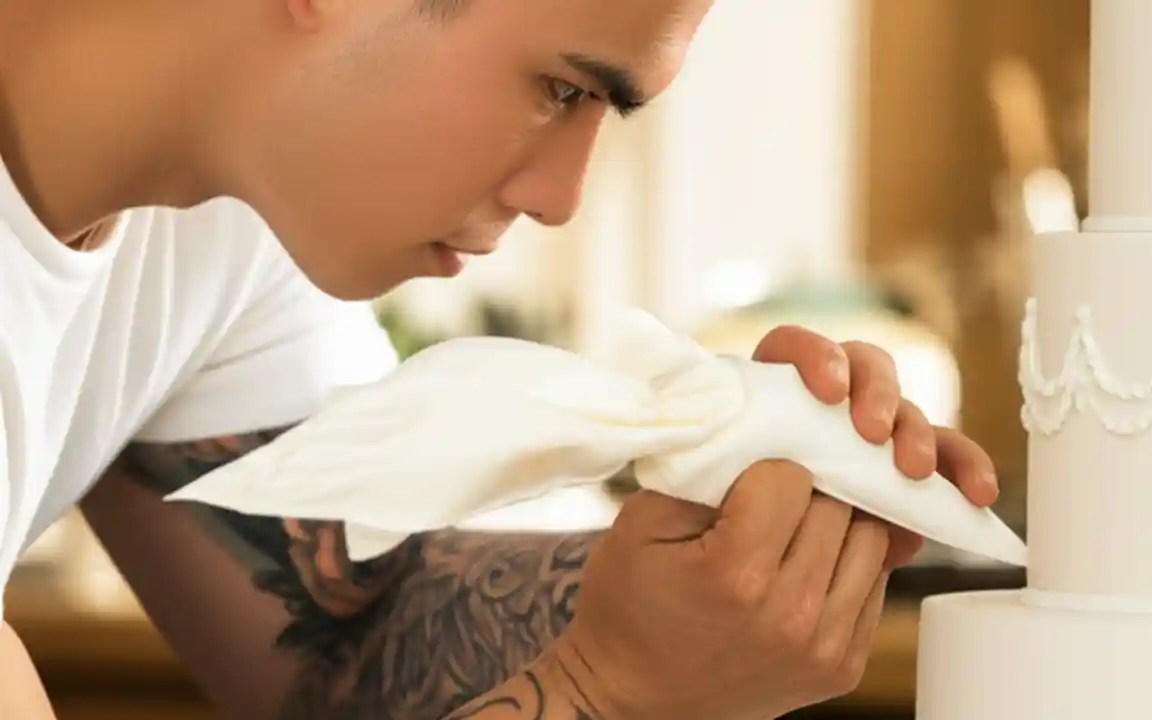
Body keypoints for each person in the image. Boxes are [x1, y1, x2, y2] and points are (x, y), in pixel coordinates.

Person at [0, 0, 1001, 718]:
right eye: (562, 88)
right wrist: (597, 694)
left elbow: (353, 619)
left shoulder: (220, 217)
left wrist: (718, 557)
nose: (562, 196)